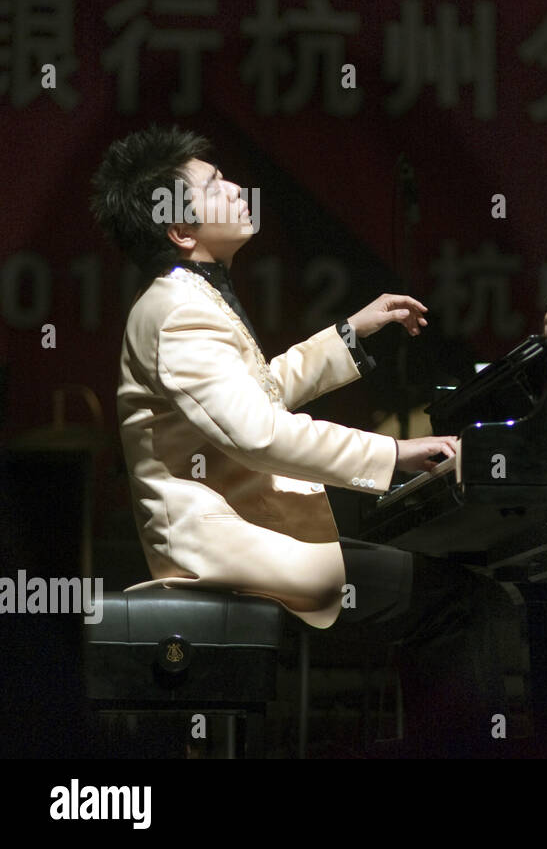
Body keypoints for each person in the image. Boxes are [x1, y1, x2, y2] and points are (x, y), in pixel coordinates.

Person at [91, 124, 513, 755]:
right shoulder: (179, 312)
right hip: (225, 554)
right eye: (213, 185)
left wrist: (351, 335)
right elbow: (257, 433)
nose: (237, 189)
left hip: (243, 538)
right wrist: (393, 453)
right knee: (462, 602)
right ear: (180, 232)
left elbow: (253, 397)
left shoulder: (189, 297)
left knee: (451, 595)